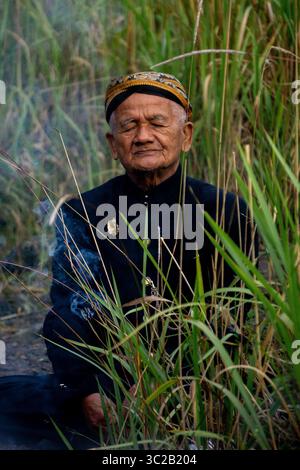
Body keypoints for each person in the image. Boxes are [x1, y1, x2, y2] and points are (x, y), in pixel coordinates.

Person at [0, 71, 258, 446]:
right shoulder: (82, 211)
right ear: (112, 143)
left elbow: (231, 317)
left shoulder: (223, 211)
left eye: (157, 123)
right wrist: (87, 388)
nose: (143, 136)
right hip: (103, 389)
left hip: (197, 393)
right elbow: (67, 311)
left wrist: (184, 393)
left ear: (185, 136)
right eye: (129, 126)